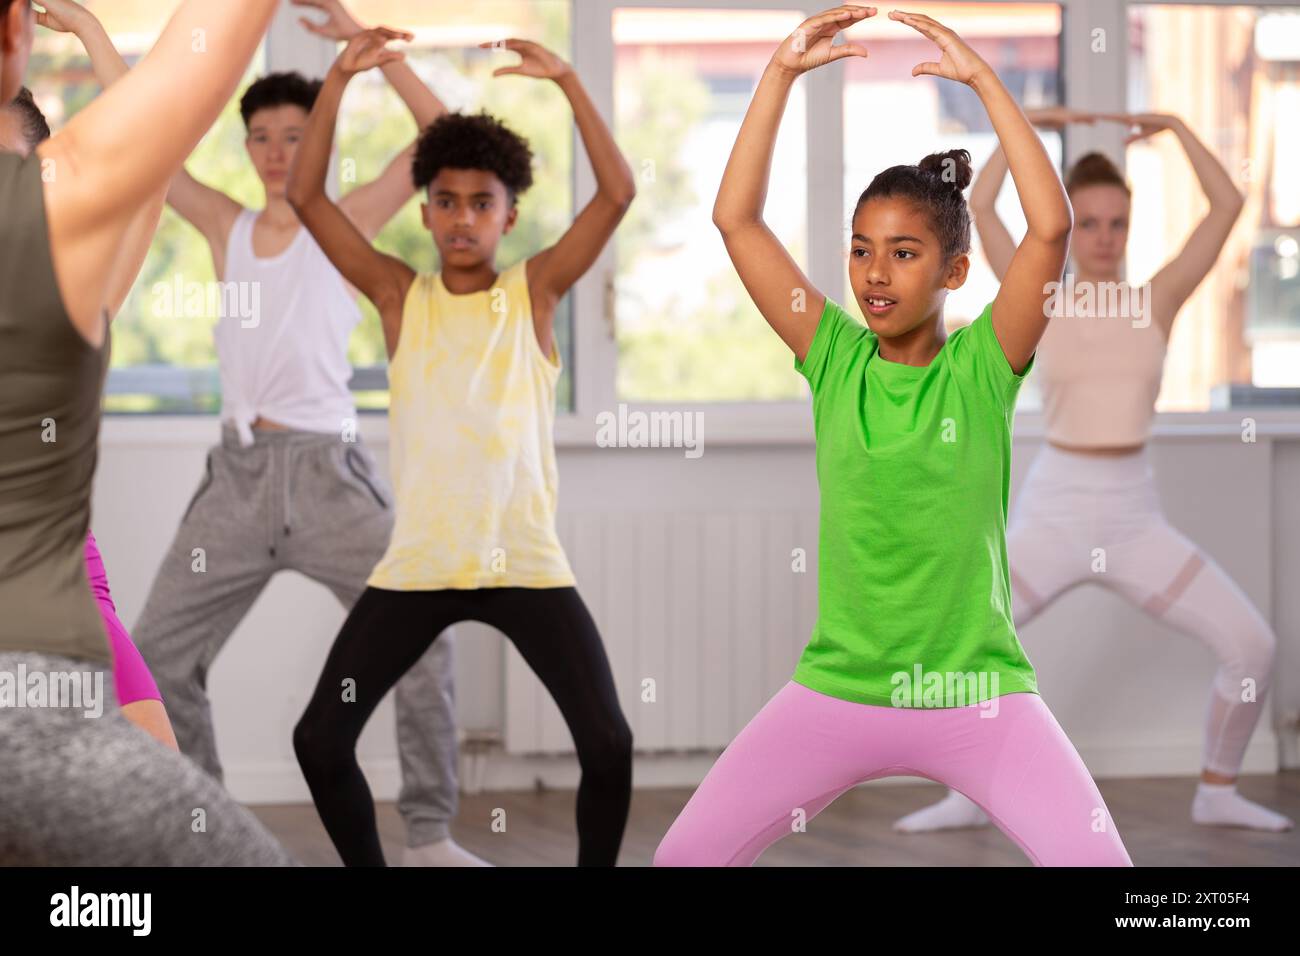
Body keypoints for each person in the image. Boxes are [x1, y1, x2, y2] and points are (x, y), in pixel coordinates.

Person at [654, 5, 1131, 866]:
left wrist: (985, 80)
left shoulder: (986, 366)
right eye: (863, 248)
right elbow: (737, 221)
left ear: (955, 272)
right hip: (839, 691)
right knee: (679, 860)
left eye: (905, 253)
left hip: (978, 695)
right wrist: (777, 76)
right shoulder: (831, 355)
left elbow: (1050, 229)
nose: (876, 272)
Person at [130, 0, 484, 866]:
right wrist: (110, 41)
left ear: (317, 135)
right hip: (241, 483)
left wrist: (369, 50)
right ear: (246, 147)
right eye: (264, 138)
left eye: (296, 135)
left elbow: (448, 138)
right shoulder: (227, 228)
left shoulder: (345, 219)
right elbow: (144, 145)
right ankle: (204, 832)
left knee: (424, 641)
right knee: (155, 660)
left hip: (330, 477)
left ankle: (430, 837)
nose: (281, 153)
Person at [287, 28, 636, 866]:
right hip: (418, 569)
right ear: (425, 211)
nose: (463, 218)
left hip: (523, 565)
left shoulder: (535, 294)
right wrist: (338, 76)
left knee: (610, 745)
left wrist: (568, 81)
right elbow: (306, 199)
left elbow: (617, 195)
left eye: (482, 202)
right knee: (320, 738)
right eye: (446, 200)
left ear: (509, 214)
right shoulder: (398, 295)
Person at [895, 106, 1292, 835]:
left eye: (1118, 224)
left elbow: (1227, 206)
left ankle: (1216, 788)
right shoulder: (1039, 293)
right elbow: (981, 204)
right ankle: (965, 792)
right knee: (951, 642)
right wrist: (1029, 123)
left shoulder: (1158, 301)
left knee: (1253, 645)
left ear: (1130, 230)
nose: (1104, 238)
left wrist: (1174, 124)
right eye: (1091, 223)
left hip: (1134, 515)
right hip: (1055, 508)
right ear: (1071, 227)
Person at [0, 0, 294, 865]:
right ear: (13, 35)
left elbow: (145, 172)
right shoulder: (56, 217)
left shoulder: (75, 250)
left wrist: (94, 38)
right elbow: (154, 132)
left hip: (65, 611)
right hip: (36, 681)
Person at [0, 0, 179, 753]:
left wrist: (93, 34)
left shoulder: (80, 289)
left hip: (63, 588)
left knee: (163, 784)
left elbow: (154, 161)